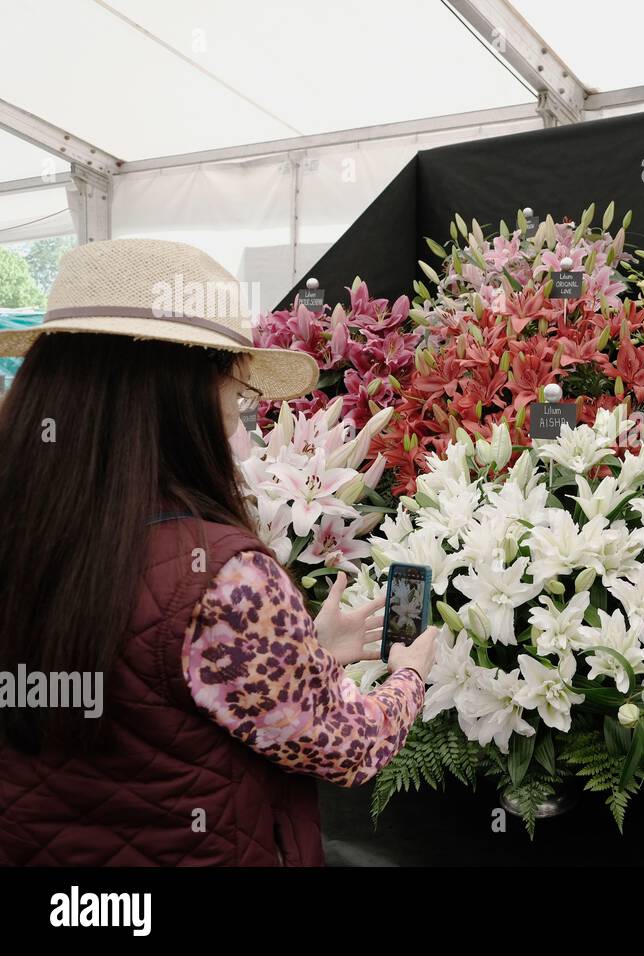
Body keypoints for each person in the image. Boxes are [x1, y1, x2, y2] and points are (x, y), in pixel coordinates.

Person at [0, 238, 437, 865]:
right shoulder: (221, 577)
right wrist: (410, 674)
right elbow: (350, 749)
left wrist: (299, 650)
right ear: (177, 395)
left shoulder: (29, 525)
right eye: (231, 398)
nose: (234, 426)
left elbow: (139, 670)